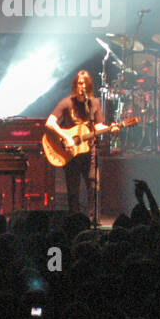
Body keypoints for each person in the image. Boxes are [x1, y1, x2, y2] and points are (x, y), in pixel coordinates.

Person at [45, 70, 104, 213]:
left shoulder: (94, 103)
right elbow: (50, 122)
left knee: (94, 186)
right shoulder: (67, 103)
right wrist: (66, 137)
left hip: (89, 150)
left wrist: (113, 128)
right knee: (73, 190)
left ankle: (93, 219)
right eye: (79, 83)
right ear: (75, 85)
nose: (81, 86)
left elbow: (98, 126)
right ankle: (75, 220)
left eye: (84, 84)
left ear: (89, 86)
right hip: (70, 152)